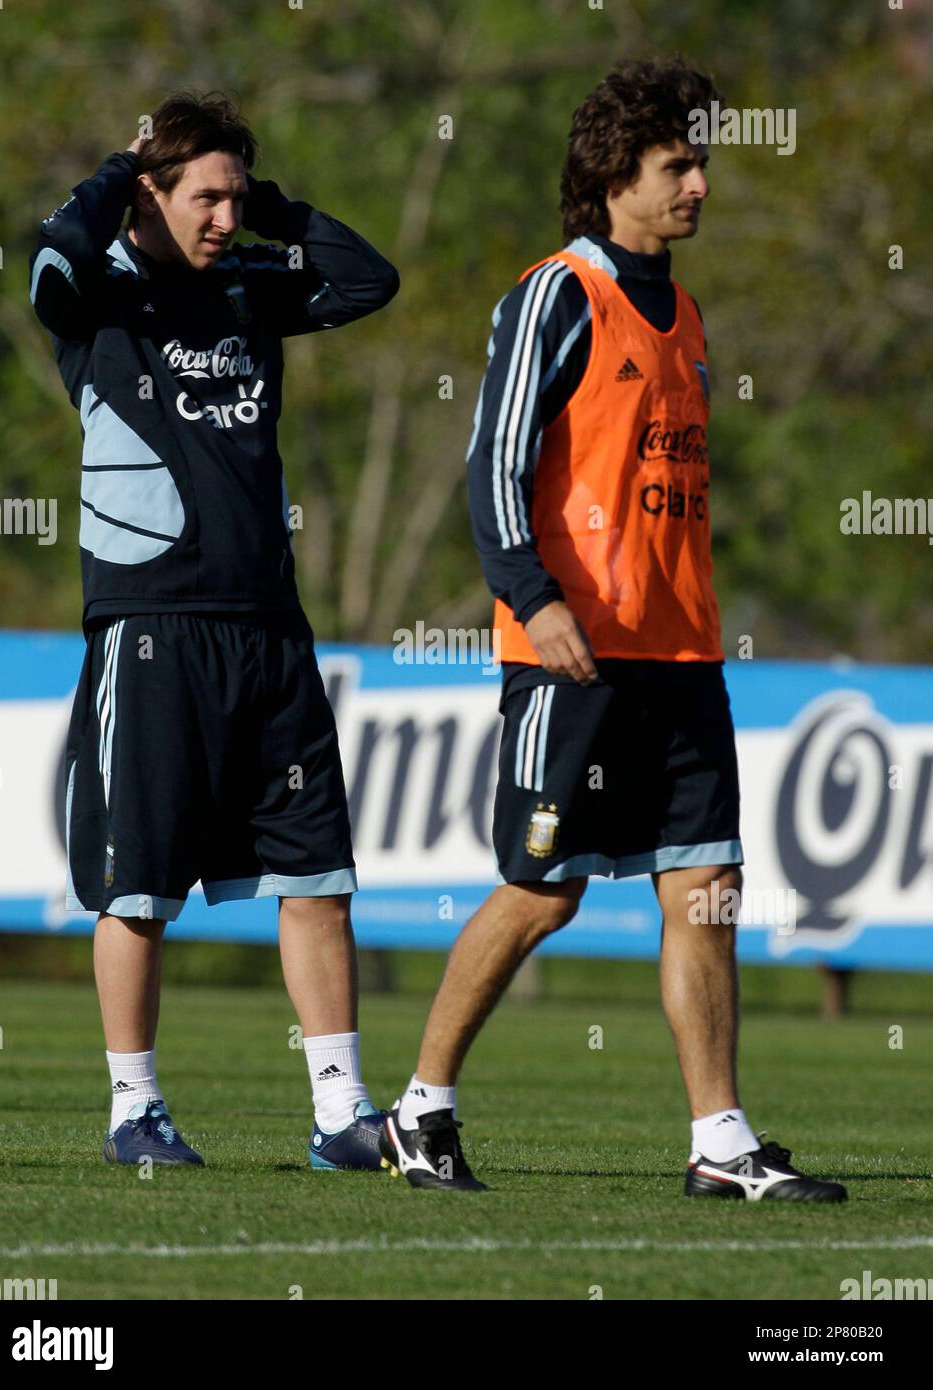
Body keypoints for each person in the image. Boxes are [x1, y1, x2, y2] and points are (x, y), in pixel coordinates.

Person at [380, 58, 846, 1202]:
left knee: (706, 889)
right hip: (568, 653)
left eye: (699, 162)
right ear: (612, 178)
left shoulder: (684, 310)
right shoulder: (555, 293)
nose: (698, 184)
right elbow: (491, 464)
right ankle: (419, 1109)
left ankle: (718, 1139)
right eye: (675, 165)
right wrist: (533, 599)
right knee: (544, 890)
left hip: (679, 654)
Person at [30, 89, 399, 1170]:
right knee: (137, 886)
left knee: (318, 876)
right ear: (149, 194)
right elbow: (52, 261)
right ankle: (133, 1107)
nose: (224, 218)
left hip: (270, 630)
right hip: (151, 627)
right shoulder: (100, 295)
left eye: (235, 197)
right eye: (207, 197)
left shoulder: (247, 283)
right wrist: (120, 170)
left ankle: (340, 1112)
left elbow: (369, 279)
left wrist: (272, 204)